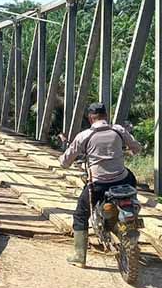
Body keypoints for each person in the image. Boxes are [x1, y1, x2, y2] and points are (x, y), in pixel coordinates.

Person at [57, 102, 142, 268]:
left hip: (99, 184)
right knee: (130, 176)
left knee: (81, 215)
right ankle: (134, 208)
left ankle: (79, 256)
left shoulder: (84, 135)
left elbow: (65, 162)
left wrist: (63, 160)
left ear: (90, 118)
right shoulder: (118, 130)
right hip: (122, 180)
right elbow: (136, 148)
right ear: (106, 116)